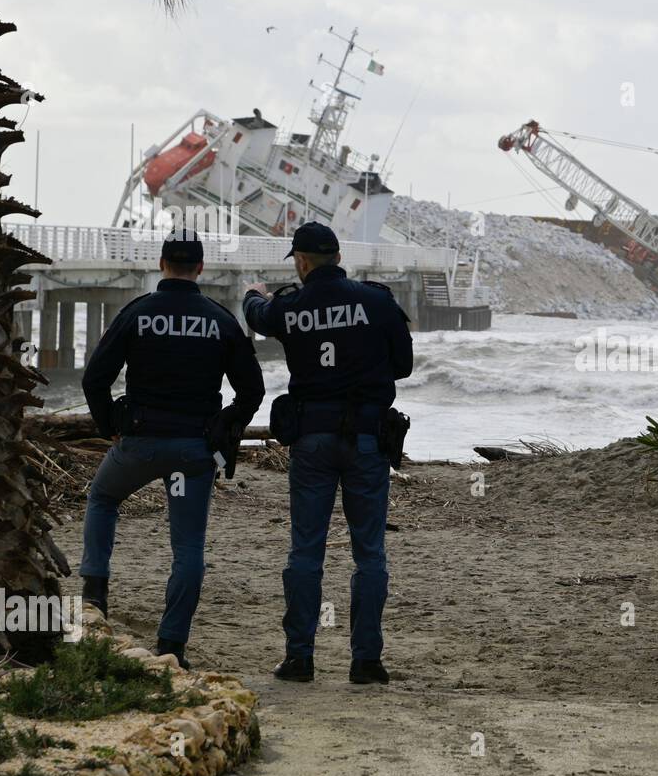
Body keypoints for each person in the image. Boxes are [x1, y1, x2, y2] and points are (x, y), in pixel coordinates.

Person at [80, 229, 265, 668]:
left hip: (139, 443)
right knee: (188, 548)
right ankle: (172, 645)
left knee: (103, 498)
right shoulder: (220, 319)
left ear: (161, 264)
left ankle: (95, 597)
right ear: (200, 268)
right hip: (193, 453)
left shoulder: (138, 313)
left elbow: (94, 379)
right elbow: (253, 390)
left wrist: (111, 427)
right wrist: (226, 425)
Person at [243, 221, 413, 685]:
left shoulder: (291, 305)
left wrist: (254, 293)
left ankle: (299, 658)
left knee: (305, 550)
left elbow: (258, 317)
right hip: (366, 439)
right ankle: (367, 661)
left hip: (312, 441)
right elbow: (403, 365)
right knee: (370, 552)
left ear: (300, 262)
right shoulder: (377, 301)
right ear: (338, 257)